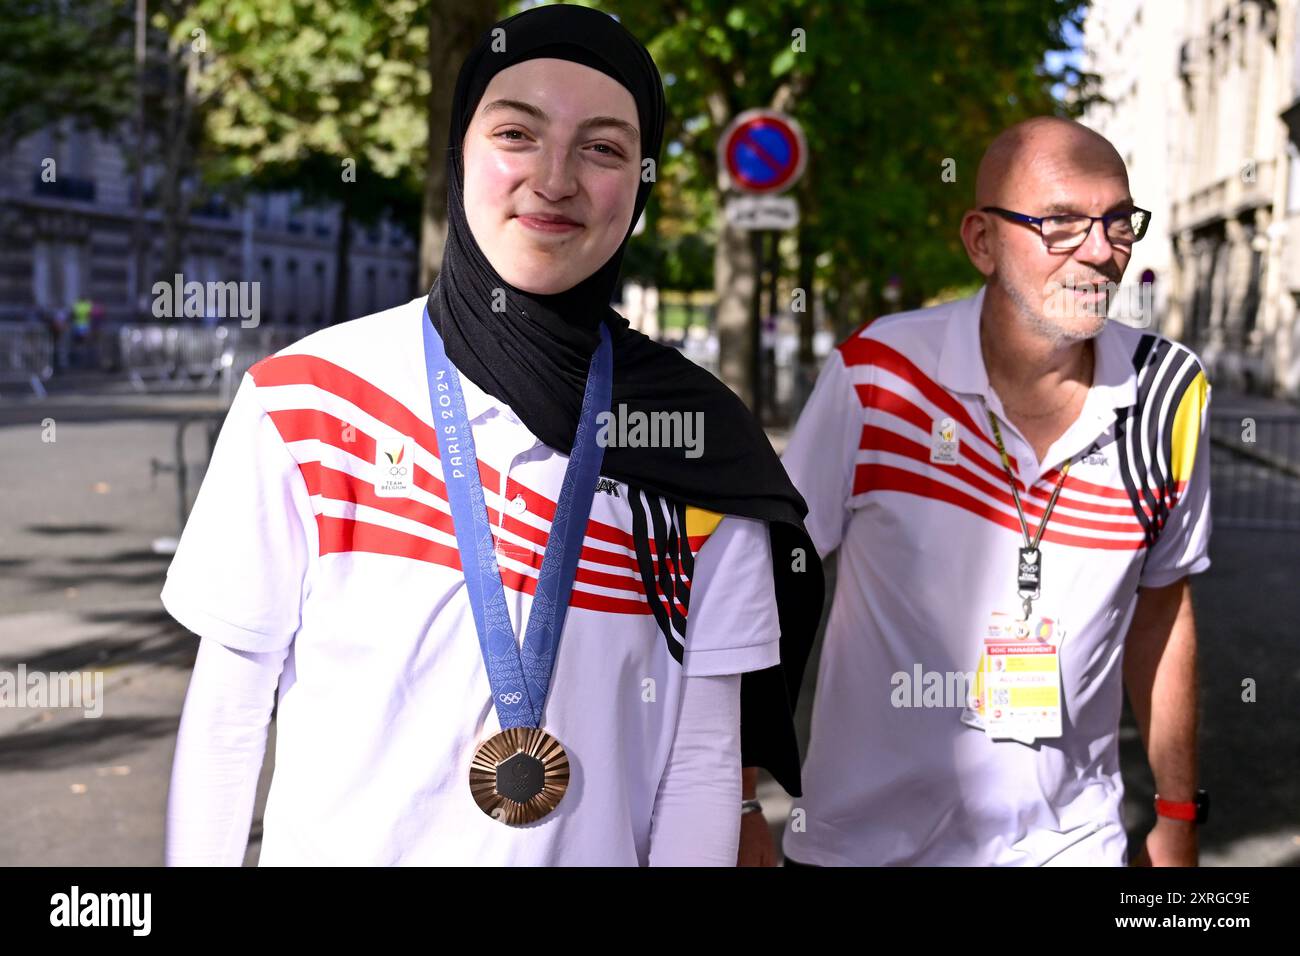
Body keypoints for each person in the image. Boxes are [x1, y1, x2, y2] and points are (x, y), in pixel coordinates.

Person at [162, 3, 820, 867]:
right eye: (517, 133)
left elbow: (701, 763)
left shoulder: (701, 450)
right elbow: (227, 716)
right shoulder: (307, 405)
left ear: (643, 183)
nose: (554, 180)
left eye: (604, 147)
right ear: (459, 153)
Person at [777, 117, 1211, 867]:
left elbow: (1163, 609)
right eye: (1063, 222)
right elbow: (769, 583)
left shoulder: (1171, 395)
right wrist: (740, 791)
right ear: (980, 241)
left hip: (1070, 844)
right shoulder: (878, 376)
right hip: (862, 847)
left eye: (1117, 222)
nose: (1102, 250)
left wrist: (1176, 813)